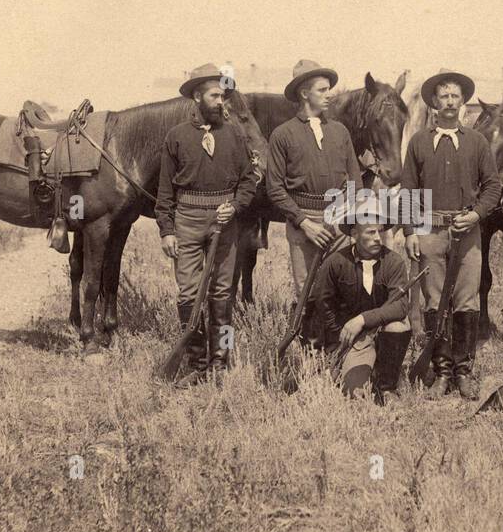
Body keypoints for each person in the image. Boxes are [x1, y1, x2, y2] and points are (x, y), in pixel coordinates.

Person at [398, 71, 502, 398]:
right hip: (429, 228)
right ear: (433, 102)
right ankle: (441, 370)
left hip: (467, 230)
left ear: (463, 101)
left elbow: (493, 186)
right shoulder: (418, 142)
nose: (450, 102)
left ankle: (464, 371)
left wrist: (475, 215)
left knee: (467, 299)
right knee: (433, 299)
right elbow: (408, 191)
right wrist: (411, 232)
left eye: (455, 96)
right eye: (443, 96)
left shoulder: (476, 142)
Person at [155, 65, 261, 386]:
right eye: (214, 95)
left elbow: (249, 179)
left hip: (225, 222)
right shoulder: (176, 137)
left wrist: (236, 205)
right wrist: (167, 229)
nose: (220, 101)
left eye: (222, 95)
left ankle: (221, 358)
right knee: (189, 292)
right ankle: (197, 359)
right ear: (197, 96)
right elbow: (164, 190)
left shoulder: (234, 135)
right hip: (186, 220)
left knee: (223, 292)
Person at [266, 59, 363, 345]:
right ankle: (311, 355)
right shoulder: (283, 134)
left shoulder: (340, 132)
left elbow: (355, 180)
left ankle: (339, 353)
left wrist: (345, 218)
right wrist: (304, 223)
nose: (329, 94)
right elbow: (275, 188)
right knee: (307, 291)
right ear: (304, 93)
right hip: (303, 224)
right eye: (322, 89)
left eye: (329, 89)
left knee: (342, 287)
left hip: (339, 225)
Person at [316, 208, 413, 404]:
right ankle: (369, 369)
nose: (378, 238)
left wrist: (362, 320)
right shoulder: (335, 262)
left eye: (380, 231)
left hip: (382, 332)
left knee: (399, 325)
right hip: (354, 340)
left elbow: (401, 307)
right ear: (354, 234)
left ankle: (387, 387)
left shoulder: (393, 262)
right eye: (370, 232)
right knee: (355, 395)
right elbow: (324, 305)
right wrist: (339, 338)